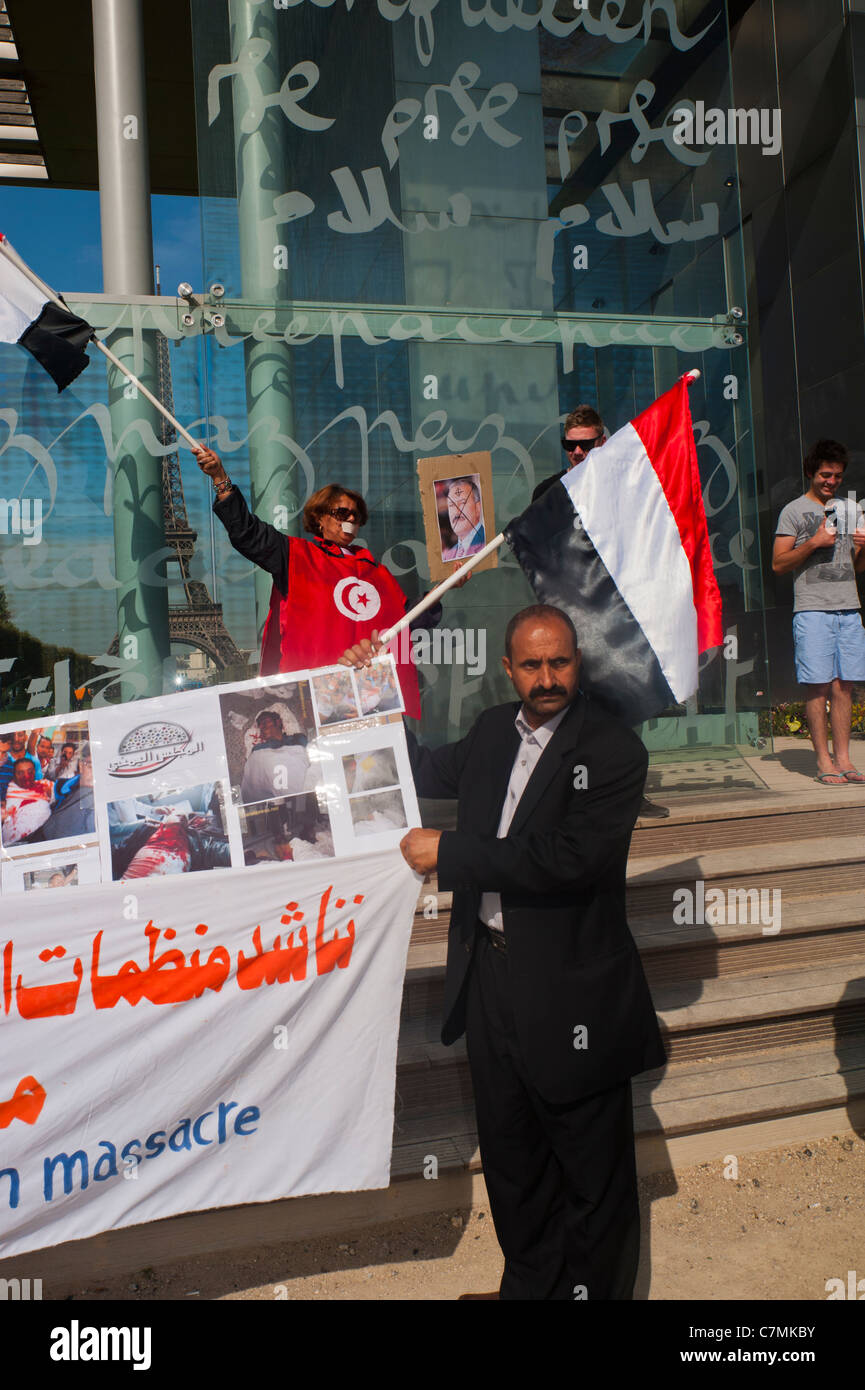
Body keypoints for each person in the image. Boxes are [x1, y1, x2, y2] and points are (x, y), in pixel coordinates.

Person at [341, 604, 665, 1299]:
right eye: (532, 664)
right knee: (515, 1159)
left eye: (560, 662)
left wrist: (450, 851)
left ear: (577, 661)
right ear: (507, 668)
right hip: (488, 976)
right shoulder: (492, 730)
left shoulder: (611, 749)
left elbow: (570, 858)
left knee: (590, 1176)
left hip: (573, 991)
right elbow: (422, 766)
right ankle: (529, 1290)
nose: (547, 677)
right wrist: (370, 692)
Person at [194, 447, 467, 719]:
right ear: (319, 518)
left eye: (356, 516)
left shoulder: (377, 572)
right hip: (315, 698)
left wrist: (444, 587)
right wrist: (220, 478)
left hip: (370, 698)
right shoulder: (295, 555)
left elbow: (403, 625)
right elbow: (248, 533)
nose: (350, 519)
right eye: (341, 512)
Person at [772, 439, 865, 783]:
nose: (832, 481)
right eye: (826, 474)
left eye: (838, 476)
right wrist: (813, 543)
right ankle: (823, 762)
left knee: (845, 687)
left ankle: (844, 759)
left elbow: (855, 568)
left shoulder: (852, 508)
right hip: (812, 611)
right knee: (818, 686)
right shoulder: (793, 511)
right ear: (811, 472)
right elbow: (778, 564)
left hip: (849, 609)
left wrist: (863, 549)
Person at [531, 404, 606, 502]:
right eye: (570, 444)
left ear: (603, 442)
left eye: (585, 444)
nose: (577, 452)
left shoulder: (619, 485)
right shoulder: (547, 491)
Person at [239, 710, 312, 804]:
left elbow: (312, 761)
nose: (261, 726)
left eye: (264, 721)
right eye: (259, 725)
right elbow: (254, 777)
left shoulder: (298, 739)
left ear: (278, 722)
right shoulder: (258, 749)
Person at [441, 477, 485, 560]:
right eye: (451, 505)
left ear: (478, 508)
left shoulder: (488, 543)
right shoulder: (448, 556)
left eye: (463, 503)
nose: (457, 511)